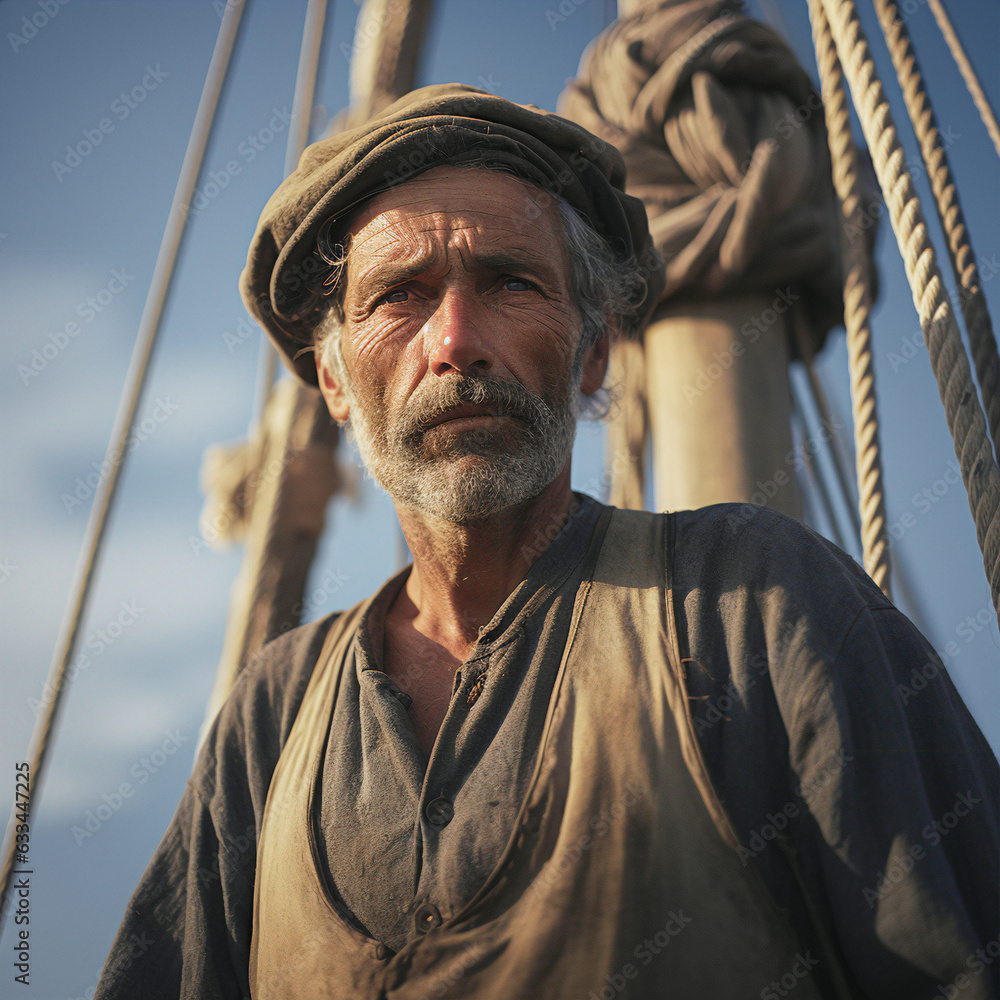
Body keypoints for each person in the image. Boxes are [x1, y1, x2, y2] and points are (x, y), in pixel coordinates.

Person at [95, 84, 999, 999]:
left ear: (595, 348)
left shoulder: (754, 604)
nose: (455, 342)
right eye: (398, 296)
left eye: (509, 283)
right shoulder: (273, 720)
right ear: (332, 379)